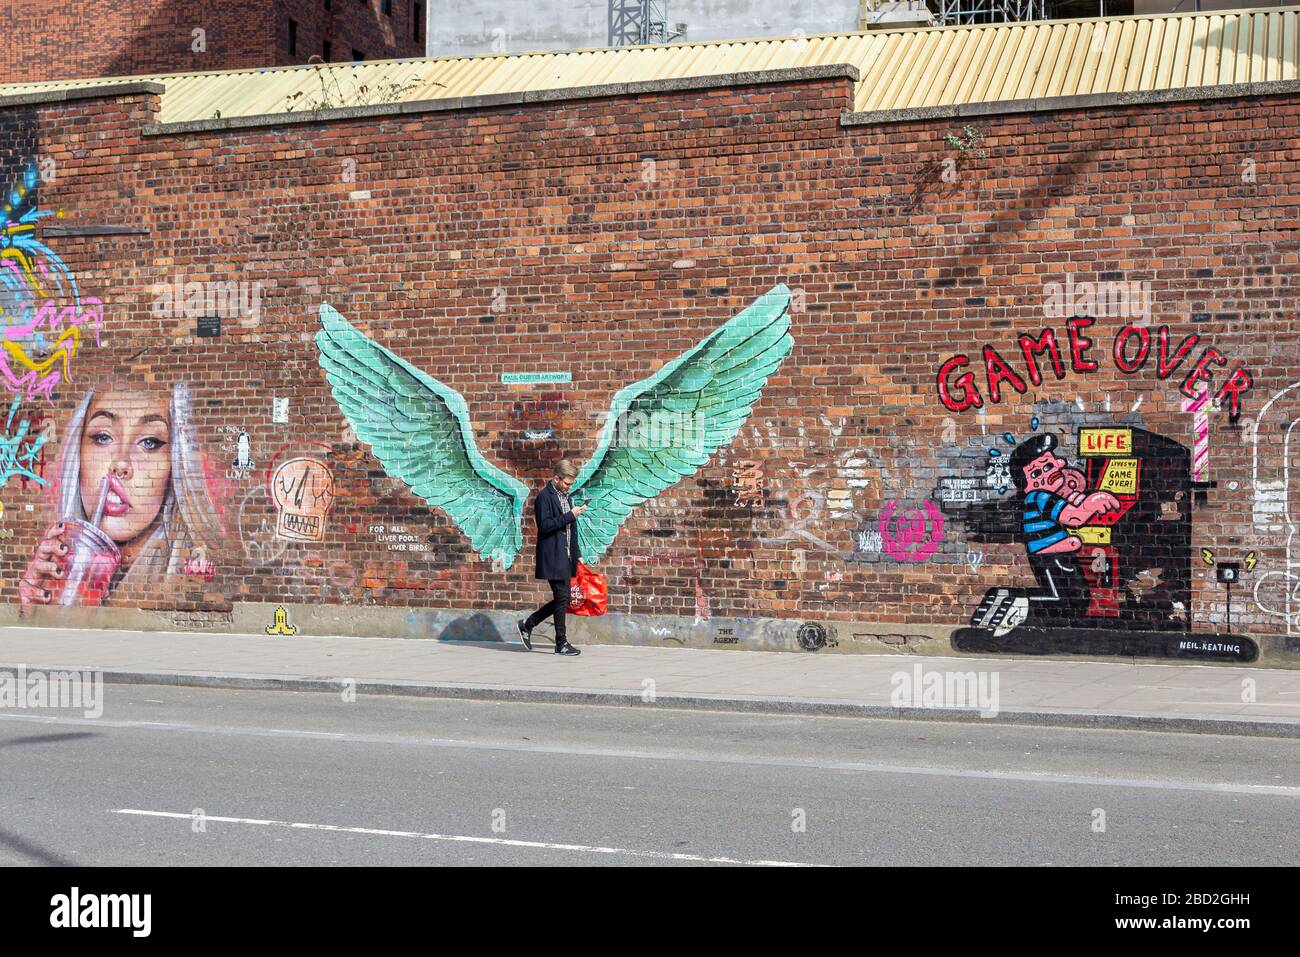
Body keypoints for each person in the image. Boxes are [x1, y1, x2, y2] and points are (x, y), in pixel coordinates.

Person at [19, 383, 223, 606]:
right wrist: (33, 609)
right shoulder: (58, 563)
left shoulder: (192, 578)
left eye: (149, 442)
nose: (120, 464)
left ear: (176, 463)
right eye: (102, 437)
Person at [518, 458, 585, 655]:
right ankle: (560, 643)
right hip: (552, 555)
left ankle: (528, 624)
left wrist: (577, 553)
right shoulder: (544, 497)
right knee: (563, 597)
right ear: (556, 478)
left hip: (566, 556)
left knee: (563, 599)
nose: (569, 486)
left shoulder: (566, 497)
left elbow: (571, 529)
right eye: (567, 483)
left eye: (571, 483)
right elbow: (545, 526)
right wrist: (571, 515)